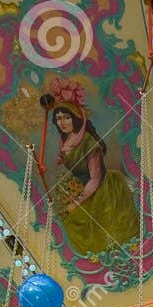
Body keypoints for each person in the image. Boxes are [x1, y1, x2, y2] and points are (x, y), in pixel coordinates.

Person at [51, 94, 139, 256]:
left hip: (100, 190)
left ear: (76, 118)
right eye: (58, 118)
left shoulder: (90, 144)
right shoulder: (65, 139)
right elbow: (67, 156)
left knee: (98, 226)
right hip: (79, 187)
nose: (62, 122)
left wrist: (75, 203)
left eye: (66, 117)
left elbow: (95, 179)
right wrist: (61, 158)